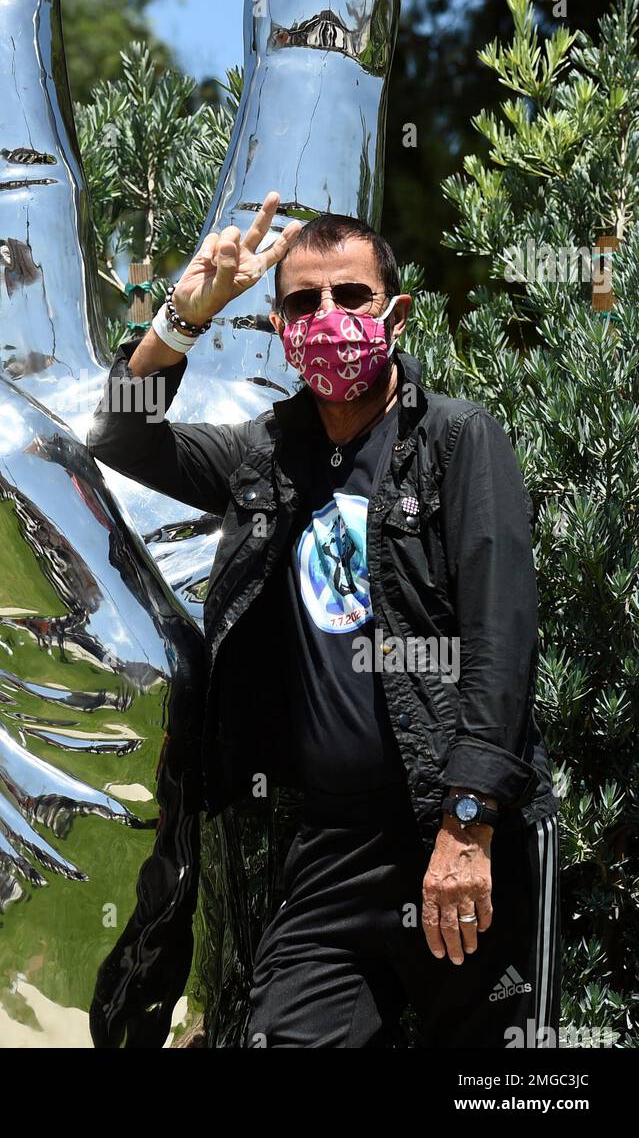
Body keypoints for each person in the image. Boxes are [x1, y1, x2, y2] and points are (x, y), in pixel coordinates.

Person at [85, 192, 560, 1048]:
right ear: (280, 328)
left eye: (351, 296)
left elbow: (501, 639)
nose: (328, 317)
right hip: (333, 845)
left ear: (395, 315)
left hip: (458, 830)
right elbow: (122, 438)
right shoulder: (266, 454)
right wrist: (183, 318)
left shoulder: (455, 439)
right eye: (303, 302)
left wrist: (467, 823)